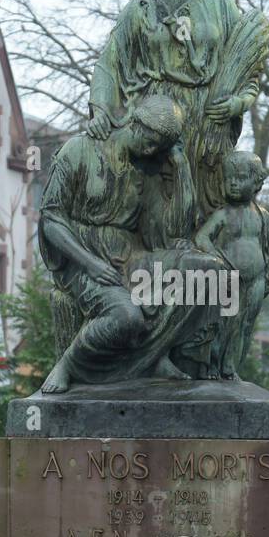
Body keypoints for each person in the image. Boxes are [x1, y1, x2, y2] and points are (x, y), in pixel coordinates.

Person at [38, 95, 224, 393]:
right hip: (84, 258)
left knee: (207, 273)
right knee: (126, 318)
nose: (152, 150)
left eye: (159, 146)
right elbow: (51, 219)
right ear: (135, 123)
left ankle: (152, 354)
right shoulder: (79, 149)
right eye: (150, 140)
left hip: (130, 256)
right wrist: (90, 264)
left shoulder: (145, 168)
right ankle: (68, 364)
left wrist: (181, 168)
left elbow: (169, 230)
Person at [86, 0, 266, 214]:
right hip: (155, 119)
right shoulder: (139, 7)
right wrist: (101, 109)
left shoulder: (221, 3)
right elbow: (110, 62)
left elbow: (249, 66)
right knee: (159, 202)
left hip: (208, 119)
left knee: (206, 202)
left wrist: (237, 104)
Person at [193, 150, 269, 379]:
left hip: (257, 279)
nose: (232, 184)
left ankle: (231, 369)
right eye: (228, 178)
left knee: (245, 325)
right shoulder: (222, 214)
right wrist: (217, 260)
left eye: (240, 178)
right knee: (221, 325)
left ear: (256, 183)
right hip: (228, 278)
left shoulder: (263, 216)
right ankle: (211, 366)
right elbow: (202, 238)